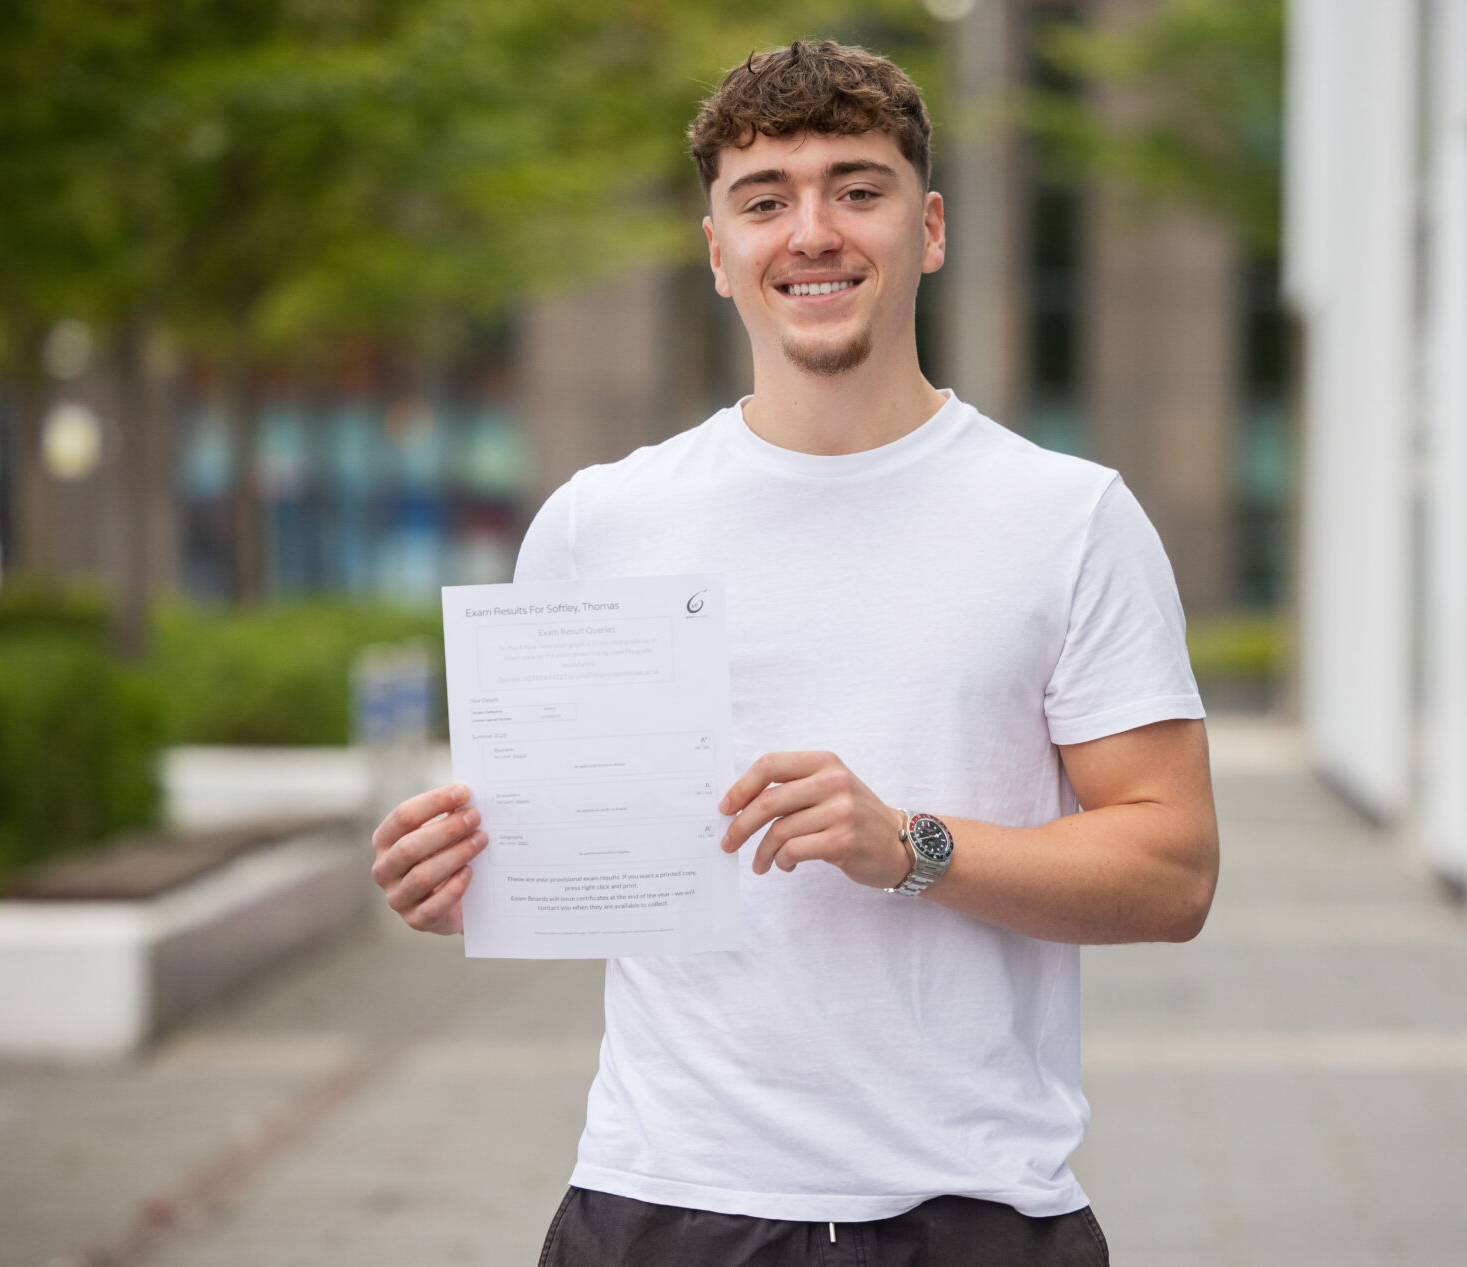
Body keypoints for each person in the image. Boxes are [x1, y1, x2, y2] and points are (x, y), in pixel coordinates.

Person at [369, 39, 1218, 1267]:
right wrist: (452, 879)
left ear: (927, 230)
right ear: (718, 252)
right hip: (658, 1198)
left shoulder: (1068, 517)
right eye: (765, 200)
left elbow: (1173, 868)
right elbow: (546, 852)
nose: (810, 230)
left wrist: (911, 847)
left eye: (855, 188)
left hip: (972, 1208)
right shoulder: (598, 524)